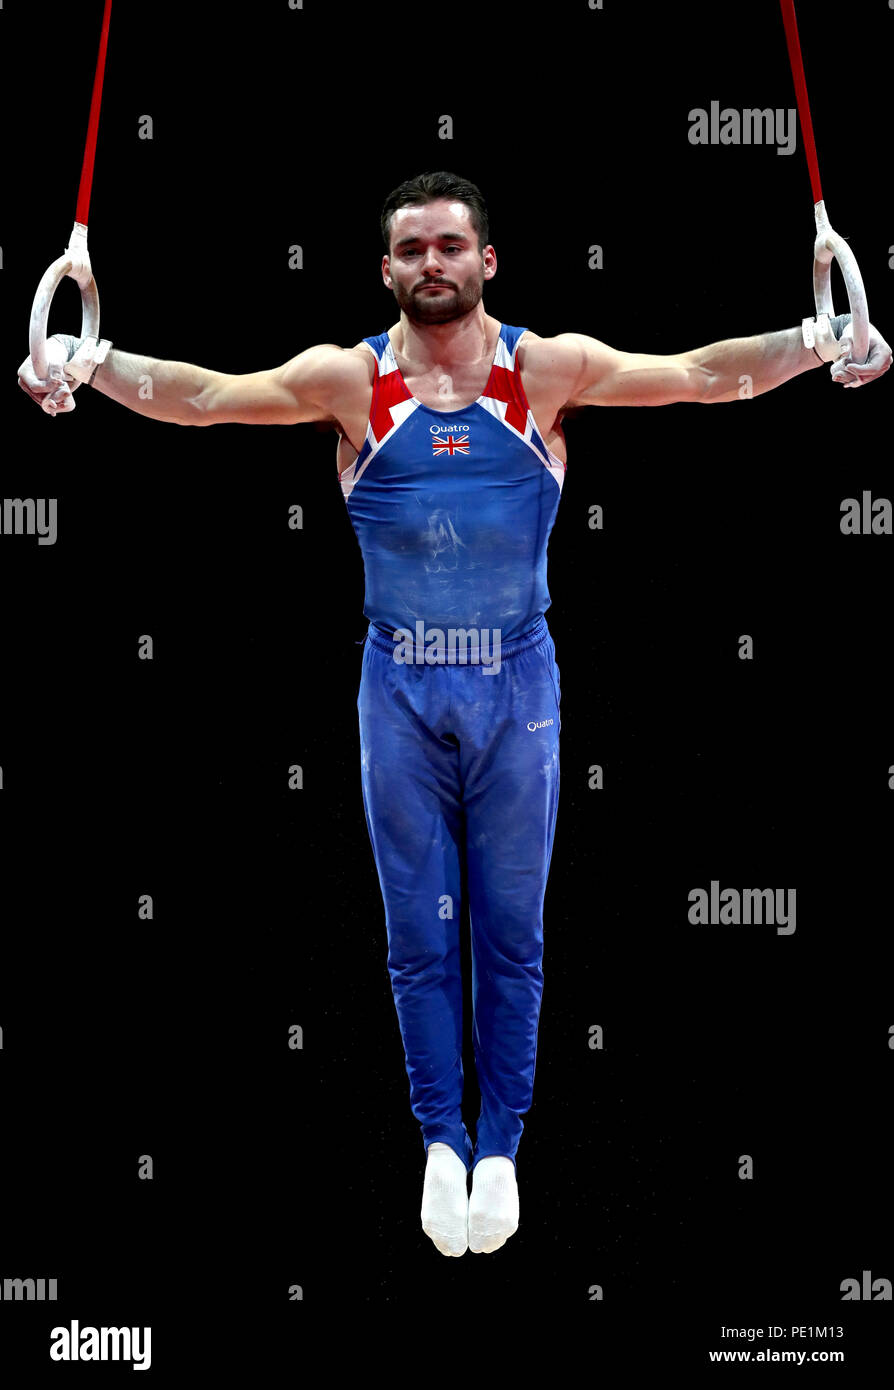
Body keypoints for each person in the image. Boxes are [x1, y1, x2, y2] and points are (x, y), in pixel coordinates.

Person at [18, 170, 891, 1260]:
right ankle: (440, 1138)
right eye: (413, 249)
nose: (433, 262)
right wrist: (87, 364)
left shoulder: (545, 372)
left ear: (488, 262)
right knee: (418, 933)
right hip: (400, 689)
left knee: (510, 933)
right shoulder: (350, 381)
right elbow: (201, 397)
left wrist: (821, 342)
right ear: (386, 270)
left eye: (451, 245)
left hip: (516, 689)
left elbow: (702, 375)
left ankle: (501, 1147)